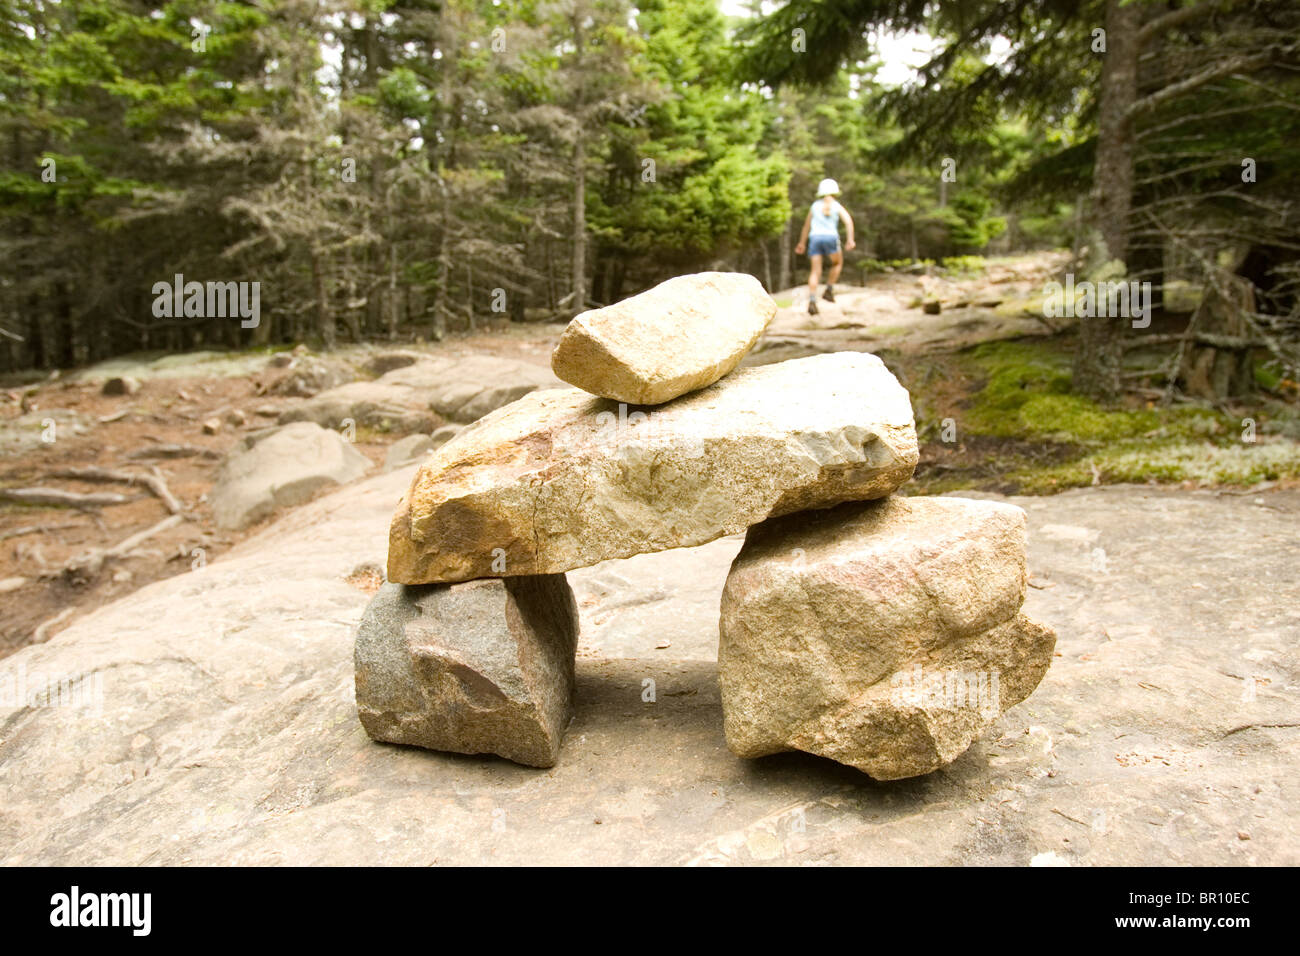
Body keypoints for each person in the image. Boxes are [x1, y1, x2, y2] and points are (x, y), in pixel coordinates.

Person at [794, 178, 855, 315]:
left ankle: (812, 300)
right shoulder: (836, 205)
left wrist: (802, 243)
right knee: (837, 263)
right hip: (830, 238)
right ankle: (829, 289)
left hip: (815, 238)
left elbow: (806, 226)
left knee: (815, 271)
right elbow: (848, 222)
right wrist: (850, 240)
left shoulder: (815, 206)